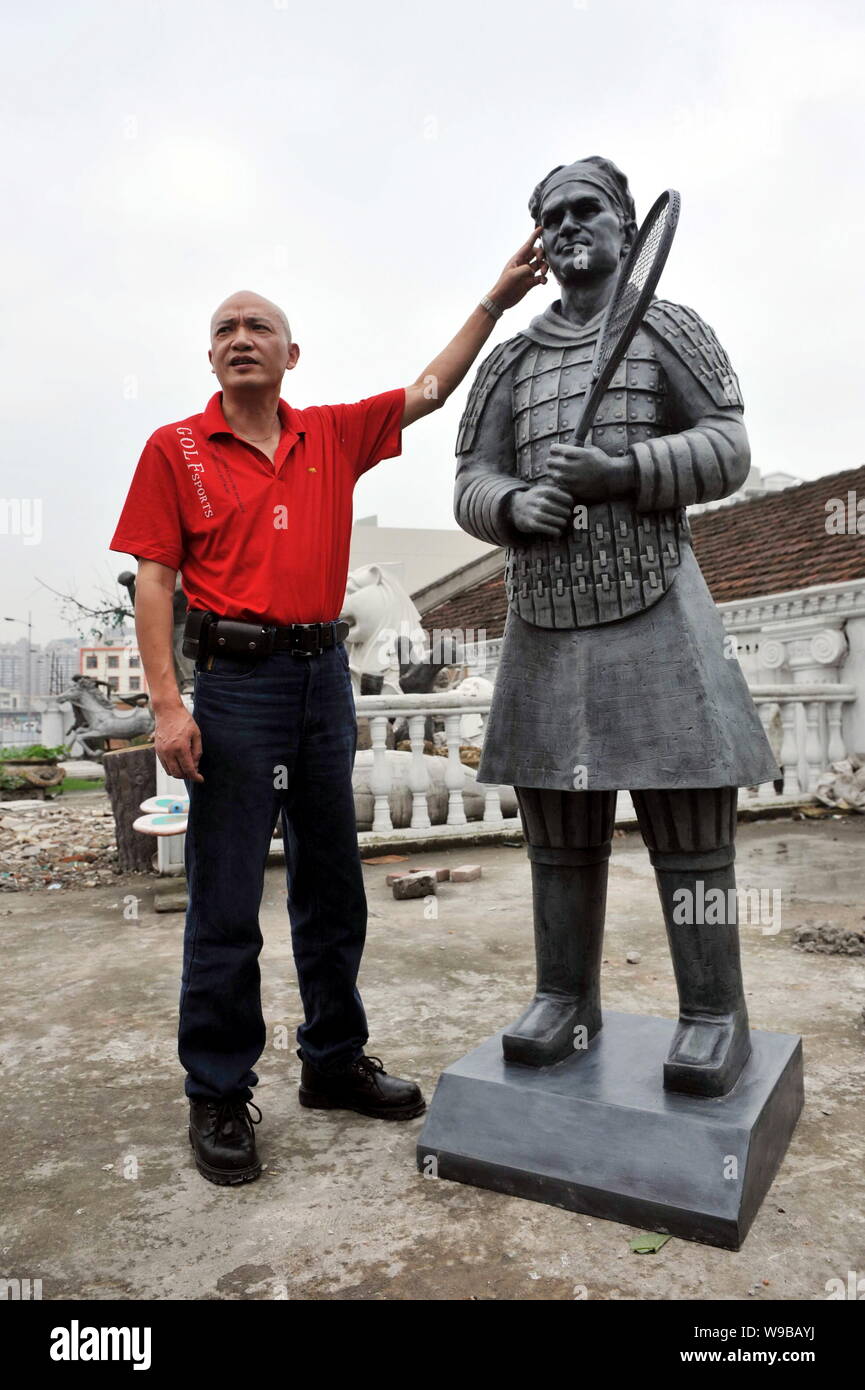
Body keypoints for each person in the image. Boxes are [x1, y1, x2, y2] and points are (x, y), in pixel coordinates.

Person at [109, 233, 549, 1185]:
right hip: (235, 686)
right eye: (224, 326)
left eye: (258, 324)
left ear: (290, 355)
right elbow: (152, 581)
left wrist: (496, 299)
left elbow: (428, 392)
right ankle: (219, 1093)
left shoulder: (331, 436)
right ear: (210, 355)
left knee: (331, 885)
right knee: (225, 899)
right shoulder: (175, 450)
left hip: (319, 684)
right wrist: (169, 704)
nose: (239, 336)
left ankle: (332, 1061)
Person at [454, 157, 780, 1098]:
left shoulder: (665, 329)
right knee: (557, 819)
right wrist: (515, 507)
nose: (566, 226)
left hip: (655, 600)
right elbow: (470, 477)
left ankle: (713, 1011)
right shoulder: (510, 360)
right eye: (548, 216)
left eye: (584, 208)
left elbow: (727, 446)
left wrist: (623, 472)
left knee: (687, 814)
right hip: (546, 613)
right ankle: (564, 999)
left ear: (625, 224)